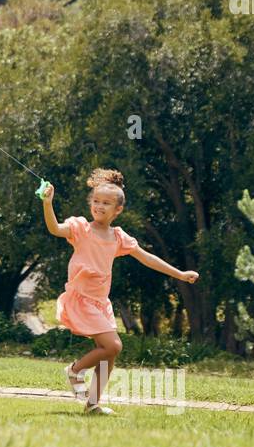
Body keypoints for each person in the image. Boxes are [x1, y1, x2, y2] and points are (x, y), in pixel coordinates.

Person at [39, 168, 198, 413]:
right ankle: (74, 370)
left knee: (109, 356)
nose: (99, 206)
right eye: (96, 201)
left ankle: (93, 405)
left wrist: (180, 274)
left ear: (118, 210)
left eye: (106, 203)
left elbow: (148, 258)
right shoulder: (81, 228)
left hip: (101, 303)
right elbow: (55, 229)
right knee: (114, 346)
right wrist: (48, 204)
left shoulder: (118, 237)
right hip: (81, 299)